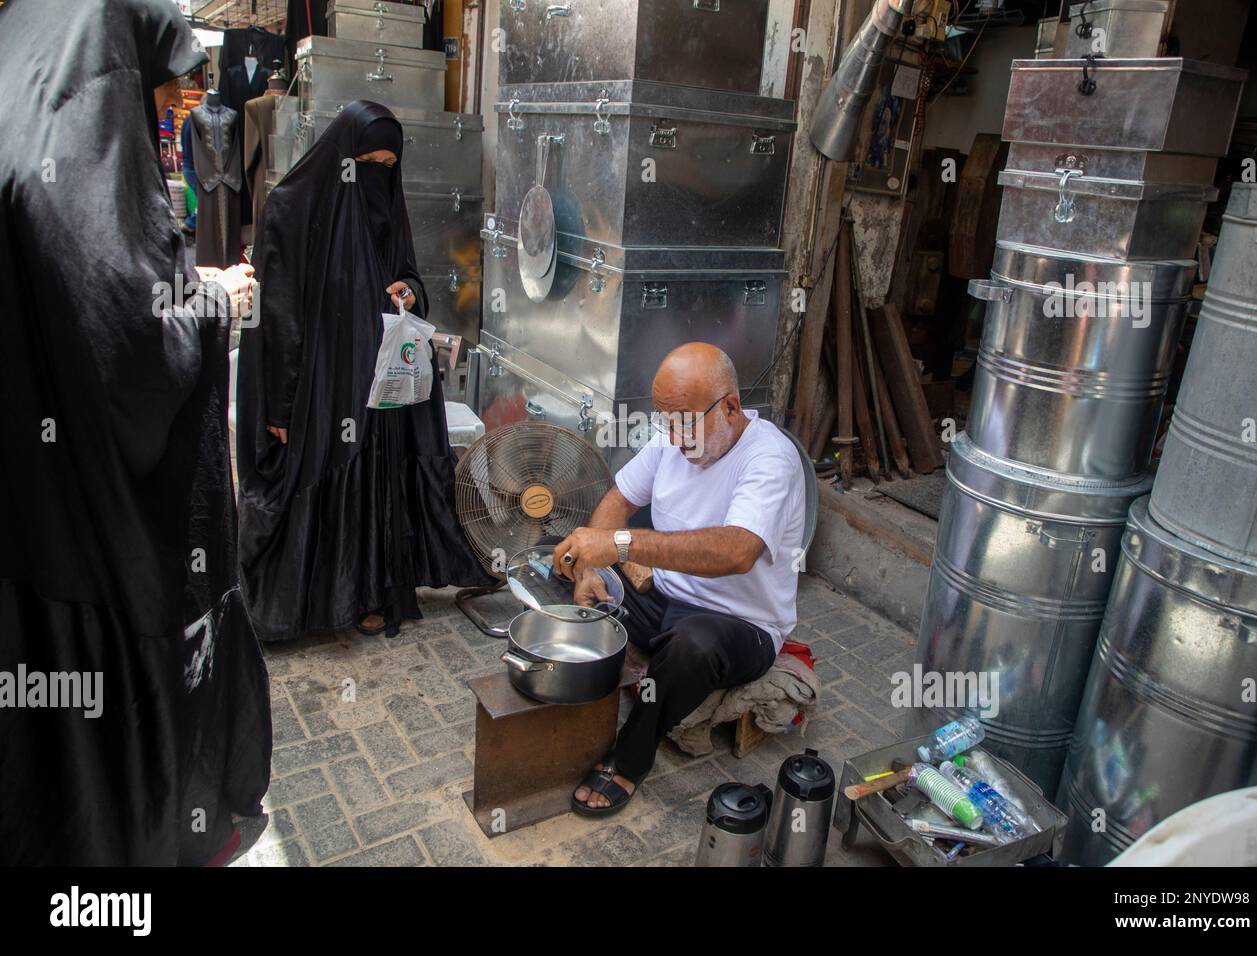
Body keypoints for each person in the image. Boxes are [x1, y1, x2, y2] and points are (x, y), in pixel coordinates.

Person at [0, 0, 272, 864]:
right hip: (92, 565)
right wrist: (212, 301)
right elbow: (128, 350)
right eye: (157, 100)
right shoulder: (75, 156)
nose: (165, 116)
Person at [237, 100, 492, 642]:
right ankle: (316, 599)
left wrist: (410, 291)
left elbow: (407, 273)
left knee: (375, 483)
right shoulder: (292, 208)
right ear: (342, 156)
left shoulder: (384, 209)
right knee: (328, 481)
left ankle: (371, 592)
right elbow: (277, 318)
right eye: (366, 163)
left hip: (381, 384)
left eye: (387, 166)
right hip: (322, 390)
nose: (377, 176)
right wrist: (280, 408)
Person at [553, 343, 807, 815]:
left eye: (685, 421)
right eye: (665, 420)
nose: (675, 435)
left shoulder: (770, 458)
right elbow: (619, 501)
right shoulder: (672, 436)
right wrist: (591, 565)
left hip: (737, 625)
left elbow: (737, 551)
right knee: (568, 565)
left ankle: (630, 756)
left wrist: (623, 546)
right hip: (663, 595)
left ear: (731, 406)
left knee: (693, 647)